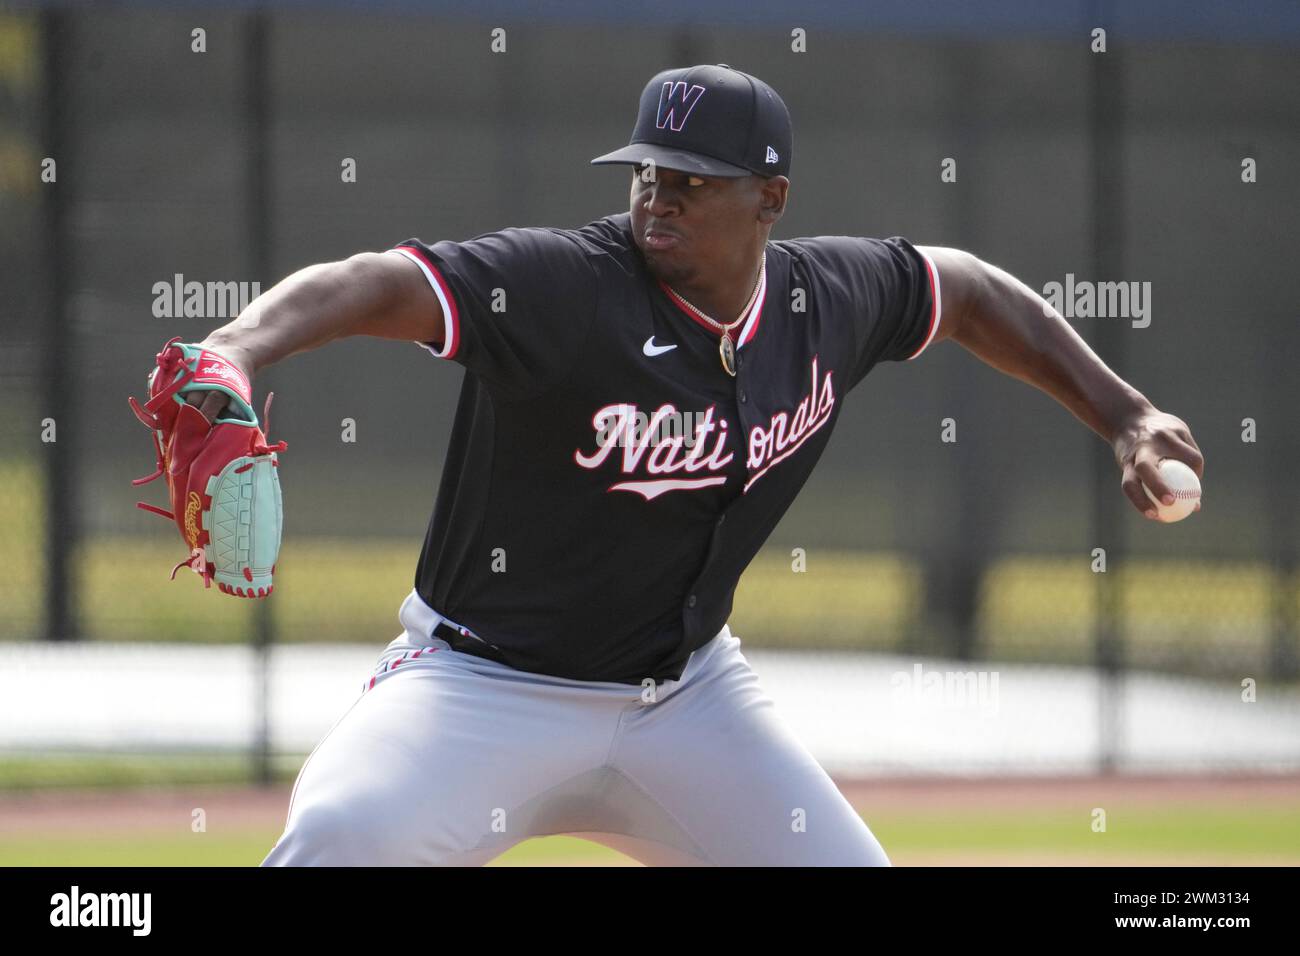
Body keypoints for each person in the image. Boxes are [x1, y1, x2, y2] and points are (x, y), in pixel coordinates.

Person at [181, 64, 1203, 866]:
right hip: (482, 686)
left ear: (770, 197)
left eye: (690, 182)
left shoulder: (828, 301)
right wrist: (235, 349)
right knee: (344, 837)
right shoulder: (563, 285)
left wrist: (1125, 414)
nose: (656, 199)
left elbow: (969, 290)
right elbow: (375, 282)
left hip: (687, 698)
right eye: (645, 173)